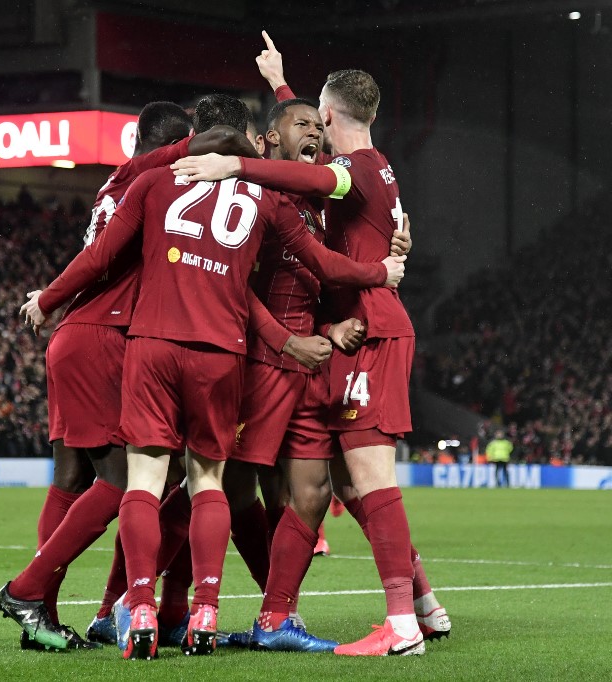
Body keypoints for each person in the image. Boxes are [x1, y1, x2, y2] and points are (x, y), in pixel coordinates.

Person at [20, 94, 402, 660]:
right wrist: (381, 271)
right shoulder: (265, 196)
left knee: (140, 482)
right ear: (249, 138)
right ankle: (201, 612)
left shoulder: (143, 182)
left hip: (145, 341)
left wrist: (48, 300)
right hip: (224, 351)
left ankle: (137, 606)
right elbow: (316, 260)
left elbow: (100, 257)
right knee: (209, 483)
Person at [171, 37, 436, 656]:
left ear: (334, 119)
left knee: (352, 481)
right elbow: (306, 147)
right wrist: (281, 85)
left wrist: (234, 164)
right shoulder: (366, 171)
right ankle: (263, 614)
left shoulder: (347, 176)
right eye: (303, 124)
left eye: (321, 121)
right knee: (313, 486)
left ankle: (405, 619)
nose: (314, 131)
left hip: (353, 339)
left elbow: (312, 166)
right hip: (306, 350)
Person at [0, 101, 259, 652]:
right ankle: (53, 595)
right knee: (133, 480)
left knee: (71, 479)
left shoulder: (117, 178)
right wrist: (246, 158)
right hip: (110, 335)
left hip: (76, 336)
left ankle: (42, 614)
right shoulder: (157, 175)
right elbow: (218, 139)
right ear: (177, 144)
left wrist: (52, 300)